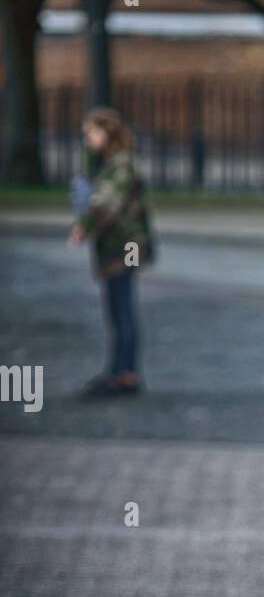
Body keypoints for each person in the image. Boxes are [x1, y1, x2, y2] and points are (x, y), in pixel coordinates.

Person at [69, 107, 155, 396]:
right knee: (118, 308)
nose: (87, 140)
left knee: (121, 309)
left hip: (124, 244)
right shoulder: (110, 163)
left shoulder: (121, 164)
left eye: (91, 133)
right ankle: (121, 370)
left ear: (108, 133)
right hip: (118, 244)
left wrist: (84, 225)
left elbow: (107, 203)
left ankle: (124, 372)